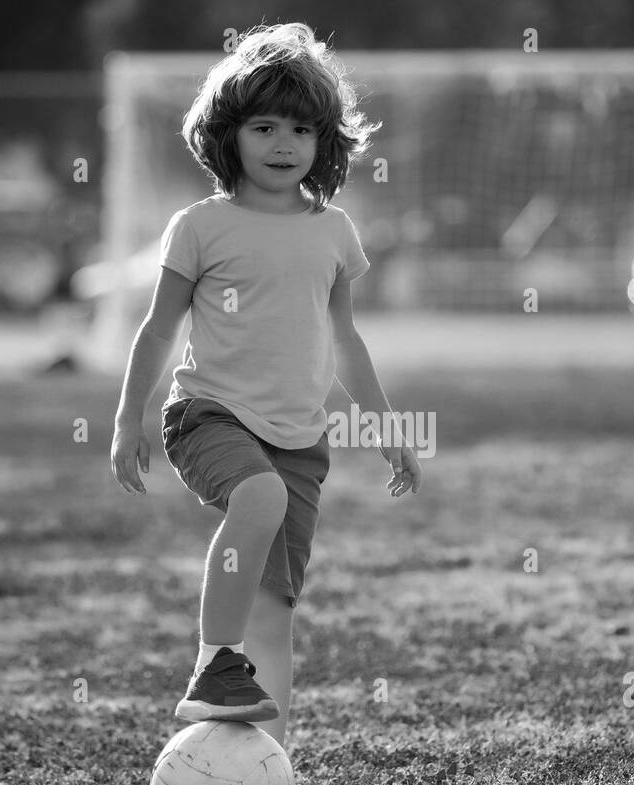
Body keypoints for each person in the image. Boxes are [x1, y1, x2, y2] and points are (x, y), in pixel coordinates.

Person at [110, 23, 422, 747]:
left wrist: (386, 429)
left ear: (325, 142)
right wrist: (129, 420)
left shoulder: (334, 232)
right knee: (258, 494)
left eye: (303, 128)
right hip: (210, 416)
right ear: (229, 134)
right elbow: (157, 330)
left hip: (301, 439)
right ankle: (216, 660)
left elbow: (346, 338)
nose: (284, 142)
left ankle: (267, 764)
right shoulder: (198, 227)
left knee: (276, 613)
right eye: (264, 125)